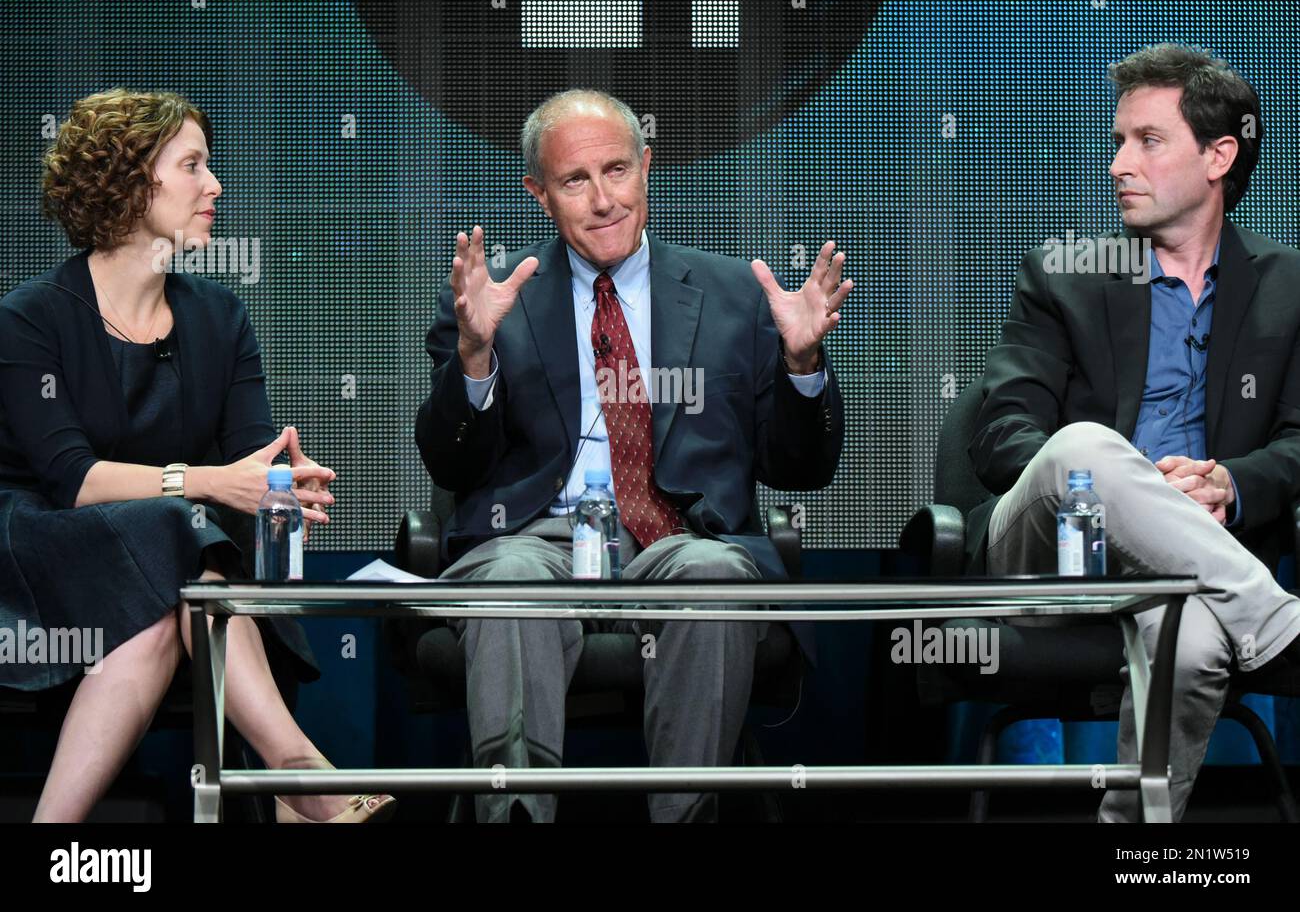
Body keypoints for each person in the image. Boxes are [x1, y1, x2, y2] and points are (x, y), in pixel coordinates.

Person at [415, 89, 847, 822]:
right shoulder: (493, 302)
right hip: (537, 540)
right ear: (539, 194)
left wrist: (803, 365)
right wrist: (475, 355)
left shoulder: (734, 295)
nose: (603, 199)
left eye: (617, 170)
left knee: (711, 574)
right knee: (513, 579)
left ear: (646, 168)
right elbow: (453, 469)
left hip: (683, 538)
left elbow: (800, 469)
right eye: (575, 181)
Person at [0, 88, 393, 823]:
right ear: (128, 181)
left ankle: (53, 839)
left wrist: (280, 488)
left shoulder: (219, 316)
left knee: (164, 588)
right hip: (40, 555)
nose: (214, 187)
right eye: (193, 166)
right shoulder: (30, 320)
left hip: (165, 568)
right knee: (175, 531)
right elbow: (74, 481)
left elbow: (252, 460)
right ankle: (299, 773)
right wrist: (217, 483)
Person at [968, 44, 1300, 821]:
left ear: (1219, 155)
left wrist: (1229, 482)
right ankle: (1279, 623)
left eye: (1146, 141)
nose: (1119, 163)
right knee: (1086, 449)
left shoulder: (1288, 287)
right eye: (1118, 141)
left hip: (1186, 578)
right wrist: (1119, 486)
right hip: (1050, 555)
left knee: (1189, 644)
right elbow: (1000, 430)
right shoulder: (1065, 273)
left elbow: (1296, 441)